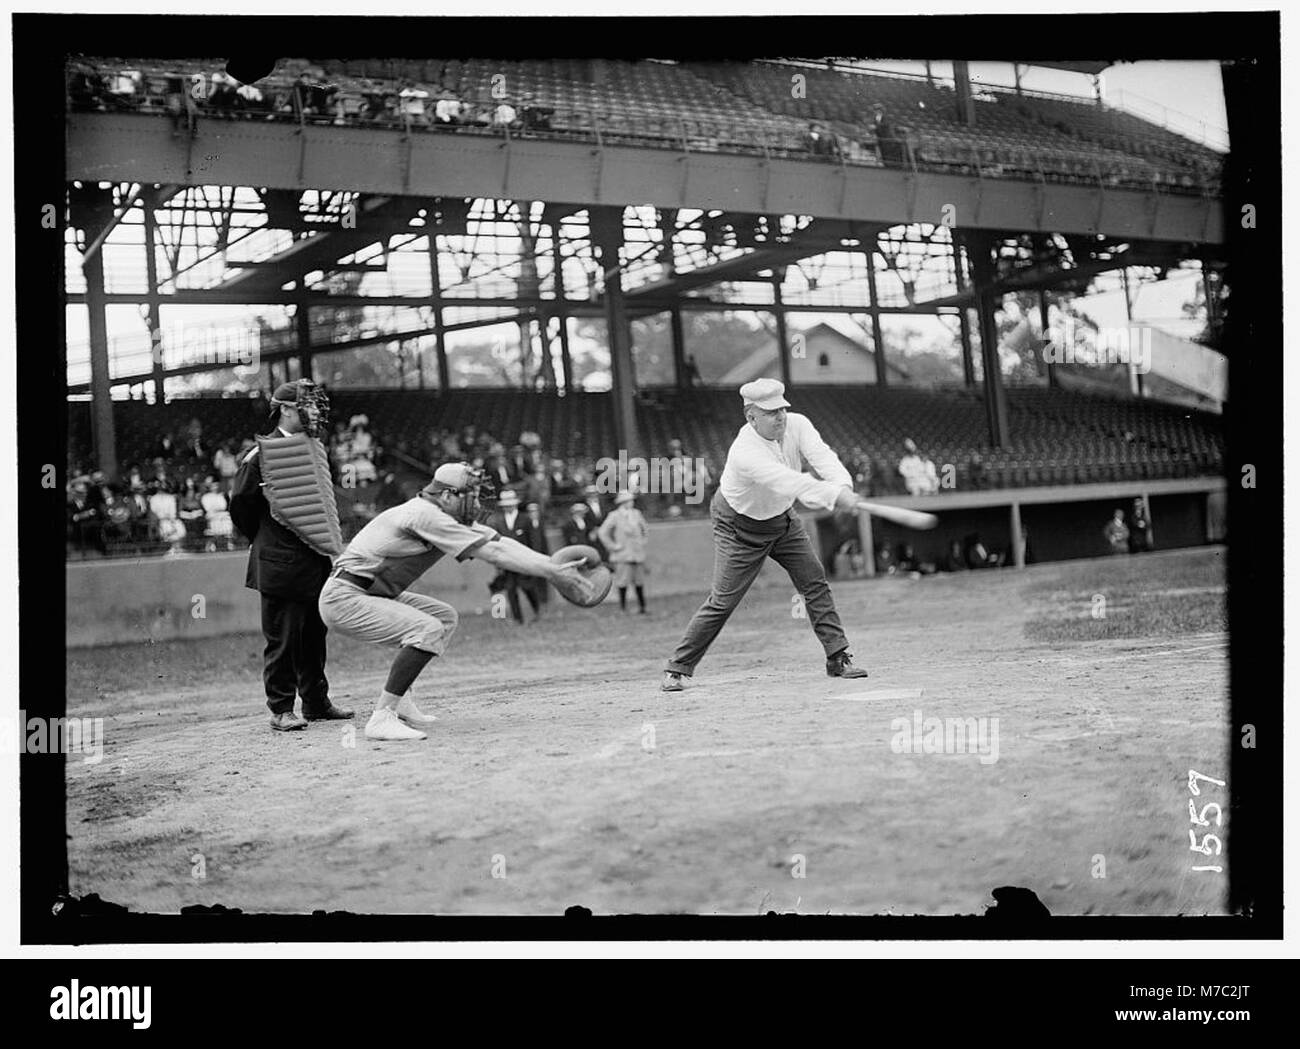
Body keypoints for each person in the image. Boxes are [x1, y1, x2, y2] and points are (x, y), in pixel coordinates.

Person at [317, 463, 585, 741]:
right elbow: (493, 553)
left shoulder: (445, 515)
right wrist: (552, 572)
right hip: (345, 597)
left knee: (443, 618)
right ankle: (381, 717)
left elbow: (502, 544)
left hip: (372, 593)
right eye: (471, 495)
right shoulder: (424, 515)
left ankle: (402, 699)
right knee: (427, 629)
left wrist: (553, 565)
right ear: (447, 496)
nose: (477, 502)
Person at [661, 378, 870, 691]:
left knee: (814, 581)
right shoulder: (745, 452)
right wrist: (833, 498)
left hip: (782, 519)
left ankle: (837, 657)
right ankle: (677, 668)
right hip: (738, 527)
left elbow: (824, 458)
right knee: (723, 601)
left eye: (782, 409)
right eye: (771, 413)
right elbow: (790, 482)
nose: (781, 417)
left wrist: (842, 486)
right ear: (751, 417)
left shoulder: (798, 424)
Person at [230, 380, 352, 732]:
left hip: (314, 560)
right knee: (283, 640)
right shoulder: (259, 456)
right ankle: (281, 708)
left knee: (315, 636)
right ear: (285, 408)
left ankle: (315, 702)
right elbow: (241, 507)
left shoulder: (314, 449)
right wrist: (268, 538)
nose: (315, 413)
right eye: (307, 406)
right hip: (279, 564)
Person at [485, 489, 544, 624]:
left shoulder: (526, 519)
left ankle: (537, 610)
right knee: (510, 588)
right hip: (506, 561)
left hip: (523, 560)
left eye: (510, 504)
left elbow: (533, 540)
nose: (508, 507)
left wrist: (533, 558)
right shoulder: (498, 521)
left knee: (527, 586)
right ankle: (518, 618)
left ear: (515, 504)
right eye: (505, 505)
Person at [597, 490, 650, 614]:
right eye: (629, 500)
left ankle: (642, 607)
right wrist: (613, 546)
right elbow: (602, 532)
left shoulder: (637, 514)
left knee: (639, 581)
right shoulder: (614, 516)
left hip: (637, 553)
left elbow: (645, 529)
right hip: (622, 554)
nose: (631, 502)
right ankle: (623, 608)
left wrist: (642, 541)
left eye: (631, 500)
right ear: (623, 502)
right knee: (622, 581)